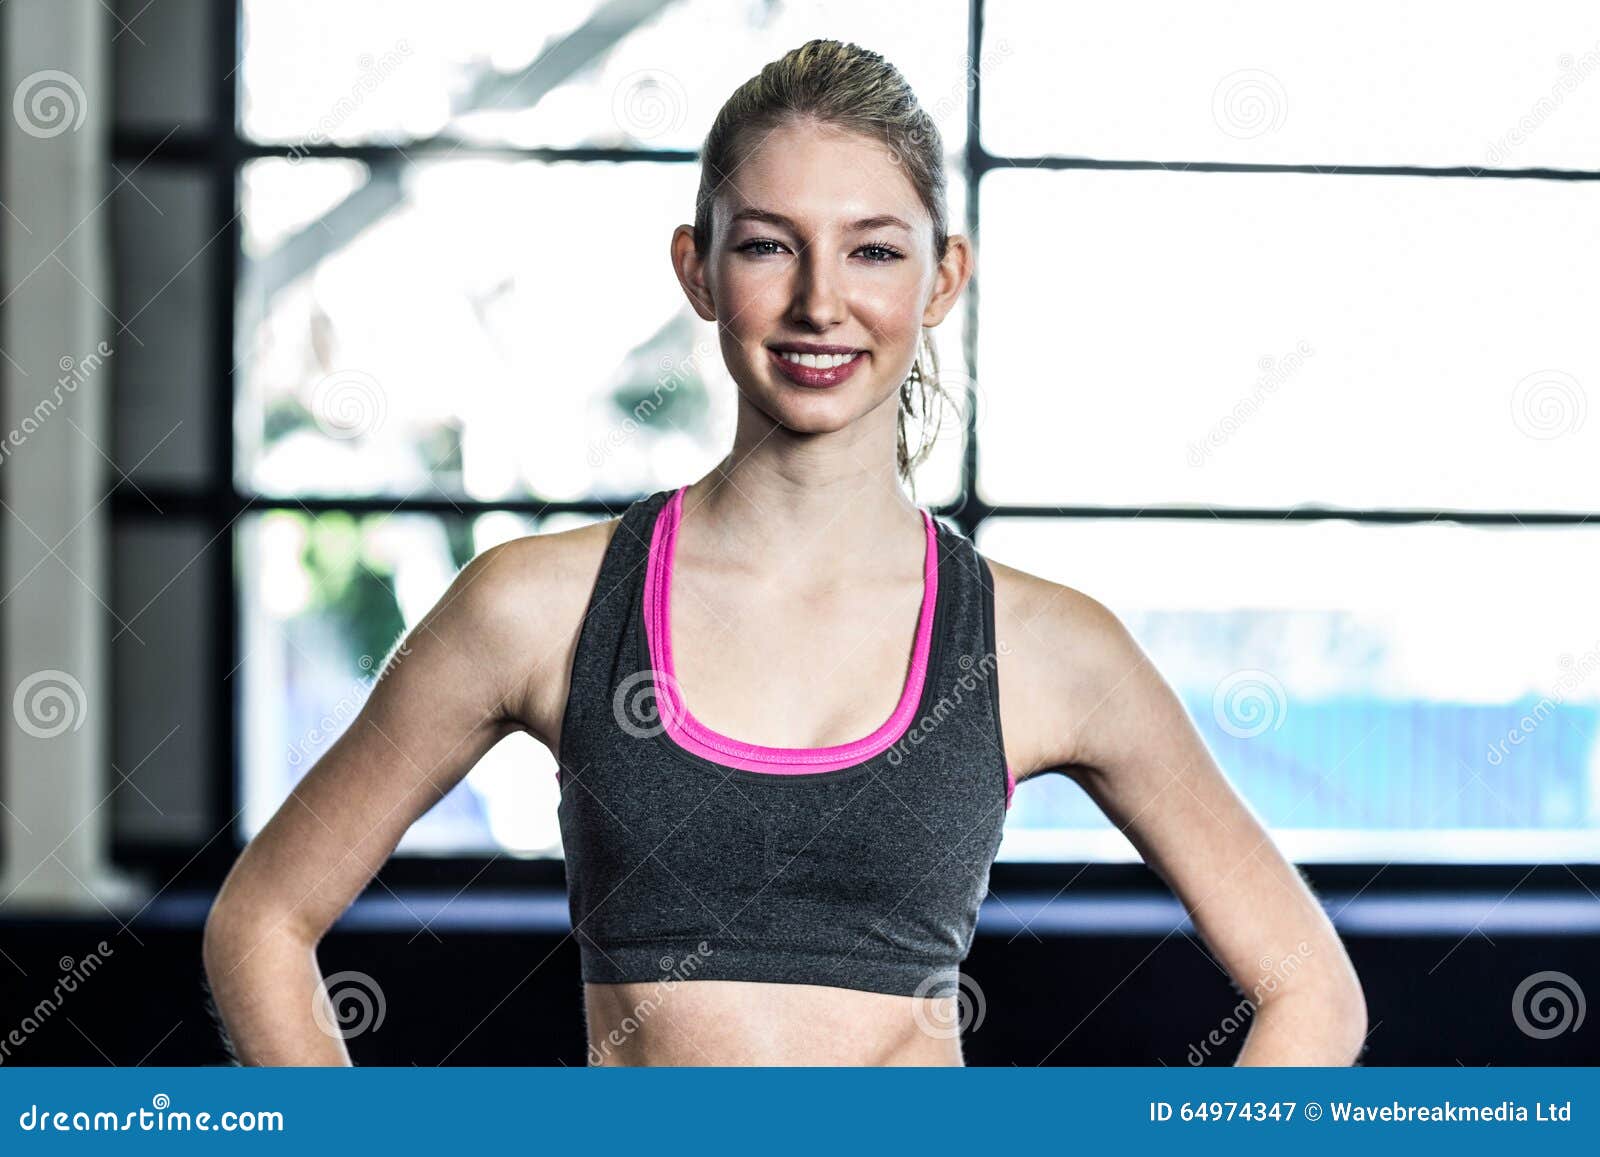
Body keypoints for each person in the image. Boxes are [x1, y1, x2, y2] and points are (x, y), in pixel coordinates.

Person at [203, 38, 1367, 1067]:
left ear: (940, 278)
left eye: (872, 252)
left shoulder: (1044, 645)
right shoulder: (536, 606)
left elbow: (1311, 991)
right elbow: (263, 920)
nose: (821, 302)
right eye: (768, 246)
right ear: (698, 269)